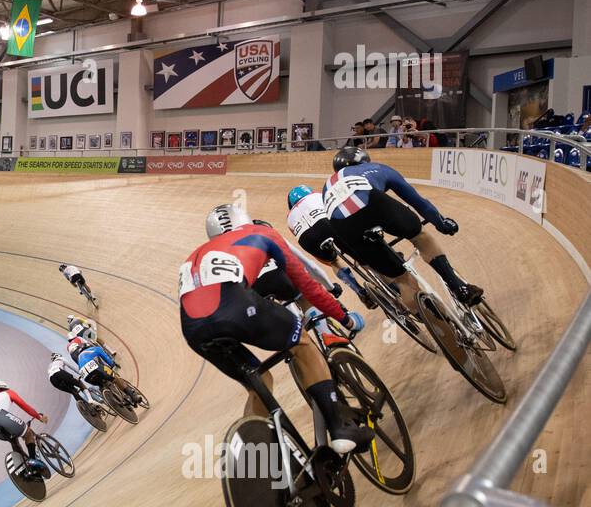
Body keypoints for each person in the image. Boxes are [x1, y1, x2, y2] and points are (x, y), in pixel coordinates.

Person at [180, 204, 372, 454]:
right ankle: (339, 429)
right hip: (237, 306)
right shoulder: (263, 233)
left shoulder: (196, 253)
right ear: (247, 220)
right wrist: (344, 318)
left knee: (258, 382)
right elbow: (309, 287)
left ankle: (251, 463)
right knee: (302, 342)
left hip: (194, 329)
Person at [323, 147, 482, 306]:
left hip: (343, 226)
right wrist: (441, 223)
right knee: (420, 237)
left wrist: (366, 259)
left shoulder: (326, 187)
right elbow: (418, 202)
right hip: (373, 202)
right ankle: (459, 288)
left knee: (401, 279)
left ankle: (429, 317)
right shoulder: (376, 167)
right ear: (364, 160)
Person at [286, 185, 374, 308]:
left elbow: (313, 251)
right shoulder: (317, 196)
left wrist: (330, 260)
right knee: (354, 246)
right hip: (325, 223)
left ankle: (359, 291)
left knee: (334, 261)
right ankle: (379, 274)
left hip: (307, 239)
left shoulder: (289, 218)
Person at [0, 381, 49, 475]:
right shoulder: (8, 392)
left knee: (13, 440)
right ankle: (33, 460)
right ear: (4, 388)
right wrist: (39, 417)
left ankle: (23, 468)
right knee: (28, 433)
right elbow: (24, 405)